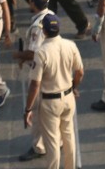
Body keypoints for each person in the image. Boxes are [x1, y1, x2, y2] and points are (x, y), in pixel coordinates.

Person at [25, 13, 83, 169]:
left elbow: (35, 84)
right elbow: (79, 72)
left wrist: (28, 108)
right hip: (68, 96)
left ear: (43, 31)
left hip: (50, 101)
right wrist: (74, 86)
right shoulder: (70, 45)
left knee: (52, 142)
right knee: (69, 136)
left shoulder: (41, 52)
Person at [14, 0, 53, 162]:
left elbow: (34, 53)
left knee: (37, 112)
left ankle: (39, 146)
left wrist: (20, 55)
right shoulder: (50, 15)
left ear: (33, 3)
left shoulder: (38, 26)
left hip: (40, 70)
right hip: (52, 68)